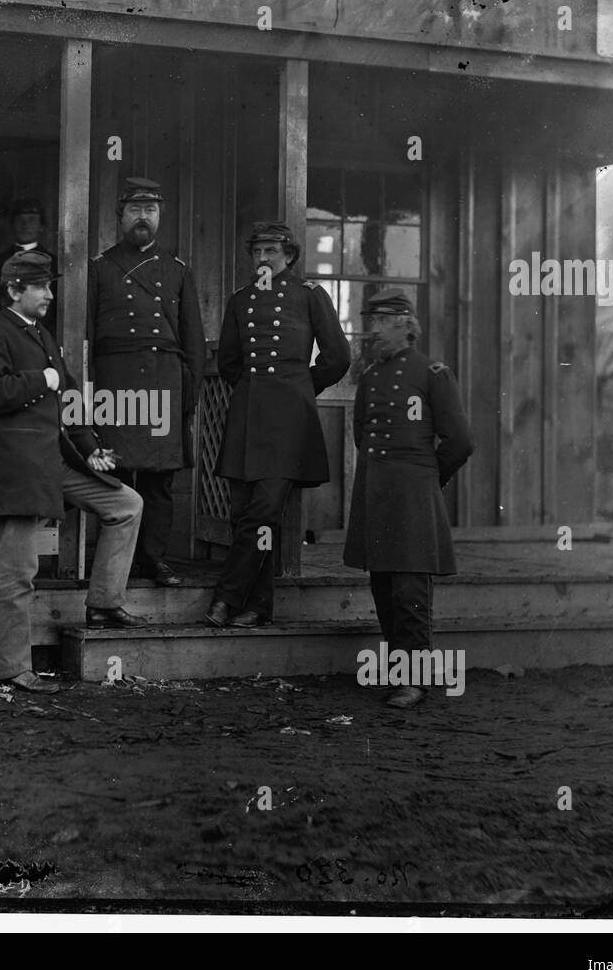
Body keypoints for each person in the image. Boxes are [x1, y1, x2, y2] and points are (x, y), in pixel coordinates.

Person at [0, 250, 148, 694]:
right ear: (14, 290)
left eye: (49, 286)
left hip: (57, 461)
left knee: (126, 503)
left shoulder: (42, 336)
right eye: (40, 287)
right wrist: (39, 381)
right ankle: (10, 667)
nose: (48, 294)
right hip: (20, 466)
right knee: (20, 570)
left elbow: (67, 398)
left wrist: (91, 449)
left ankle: (104, 603)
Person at [204, 222, 351, 628]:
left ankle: (225, 598)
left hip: (289, 420)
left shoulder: (310, 296)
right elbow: (230, 362)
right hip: (247, 417)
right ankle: (257, 607)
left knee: (264, 510)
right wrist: (257, 392)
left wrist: (300, 388)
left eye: (272, 251)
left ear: (289, 256)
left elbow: (338, 356)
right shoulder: (240, 300)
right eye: (257, 252)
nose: (263, 259)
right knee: (241, 513)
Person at [343, 287, 474, 708]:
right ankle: (401, 673)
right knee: (382, 586)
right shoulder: (370, 376)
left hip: (415, 493)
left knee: (409, 591)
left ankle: (415, 681)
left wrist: (429, 477)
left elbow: (460, 440)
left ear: (404, 324)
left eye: (380, 322)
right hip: (376, 494)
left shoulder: (434, 373)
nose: (372, 331)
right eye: (371, 322)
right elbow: (361, 433)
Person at [88, 177, 206, 587]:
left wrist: (187, 392)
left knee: (158, 480)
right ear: (120, 216)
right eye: (136, 209)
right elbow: (85, 335)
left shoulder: (177, 271)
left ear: (160, 217)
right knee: (110, 474)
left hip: (163, 381)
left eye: (151, 210)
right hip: (114, 384)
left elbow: (192, 338)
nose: (143, 217)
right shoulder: (99, 268)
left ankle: (154, 559)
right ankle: (110, 561)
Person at [0, 196, 60, 335]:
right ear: (12, 224)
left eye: (32, 220)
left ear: (42, 226)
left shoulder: (55, 265)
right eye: (20, 220)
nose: (25, 225)